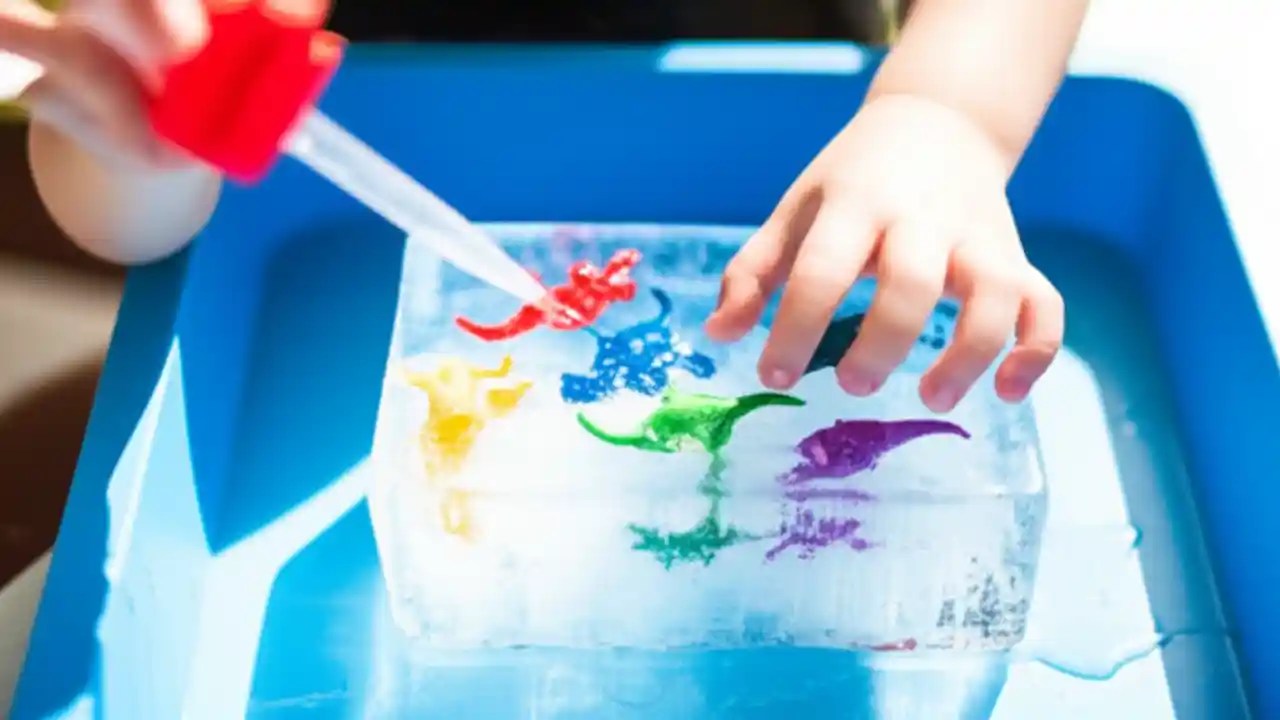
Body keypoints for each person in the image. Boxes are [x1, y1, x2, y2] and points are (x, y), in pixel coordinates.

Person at [0, 0, 1084, 412]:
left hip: (815, 160)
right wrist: (147, 141)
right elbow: (121, 222)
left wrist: (946, 114)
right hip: (317, 324)